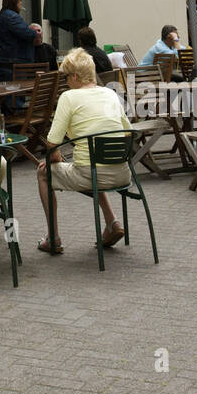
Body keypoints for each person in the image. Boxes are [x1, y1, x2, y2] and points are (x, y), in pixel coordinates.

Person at [36, 48, 131, 253]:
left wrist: (54, 157)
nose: (65, 82)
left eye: (66, 77)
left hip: (91, 173)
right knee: (91, 165)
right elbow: (127, 131)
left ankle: (53, 238)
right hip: (123, 173)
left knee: (44, 172)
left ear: (76, 76)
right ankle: (112, 222)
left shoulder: (69, 97)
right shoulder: (110, 94)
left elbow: (52, 143)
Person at [0, 0, 42, 82]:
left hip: (5, 61)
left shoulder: (3, 15)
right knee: (16, 93)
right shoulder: (12, 17)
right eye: (19, 1)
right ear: (13, 2)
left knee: (9, 92)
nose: (21, 3)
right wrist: (35, 33)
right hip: (13, 63)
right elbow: (28, 33)